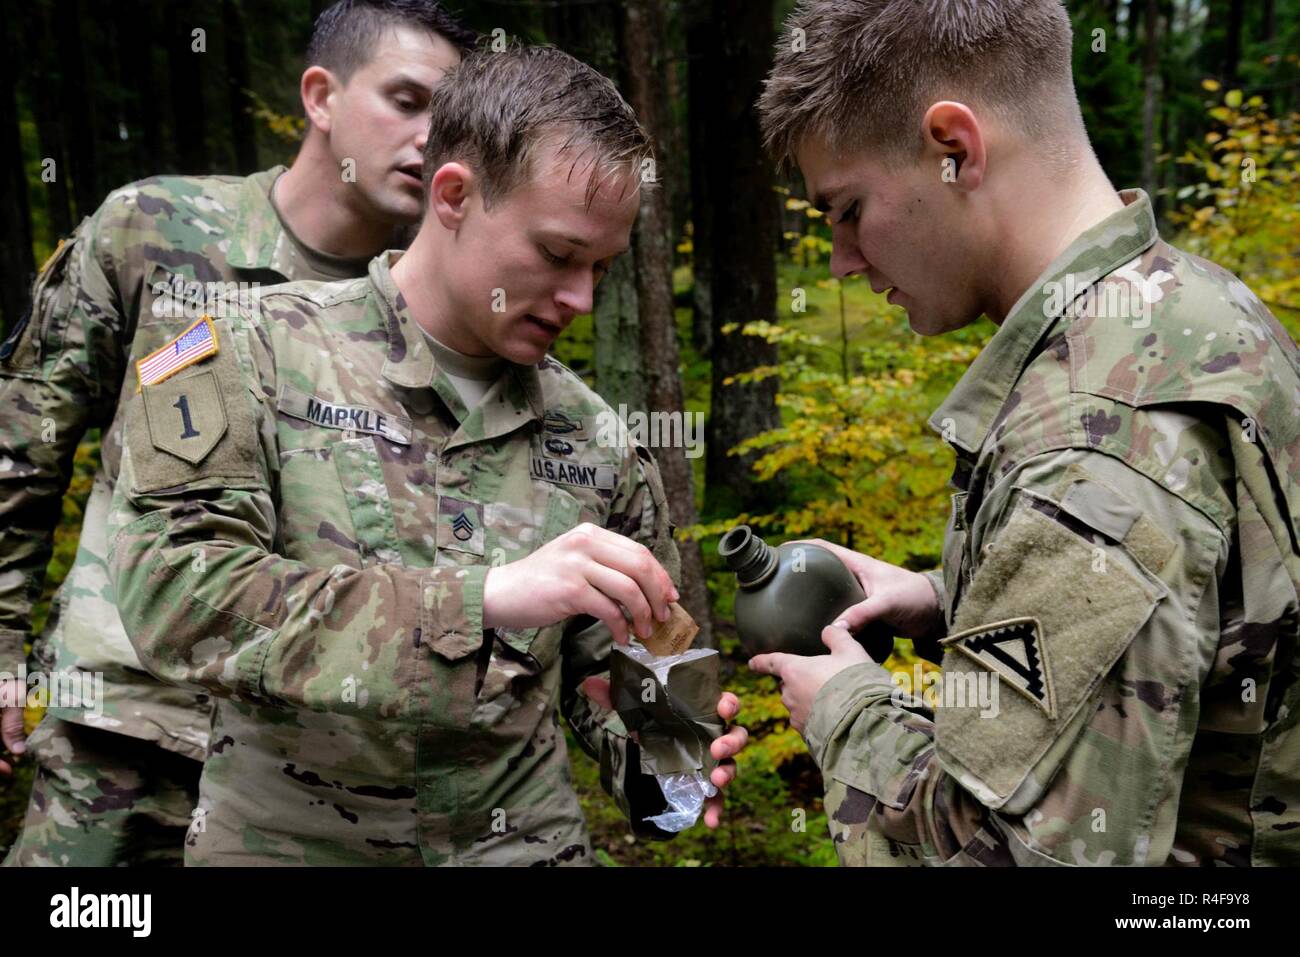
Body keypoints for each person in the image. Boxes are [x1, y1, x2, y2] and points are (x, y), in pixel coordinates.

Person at [106, 44, 747, 866]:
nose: (582, 298)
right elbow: (174, 596)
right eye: (557, 254)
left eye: (601, 267)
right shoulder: (226, 350)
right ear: (454, 195)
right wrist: (479, 599)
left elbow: (607, 692)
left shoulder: (596, 439)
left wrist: (671, 769)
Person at [750, 0, 1299, 866]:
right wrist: (950, 599)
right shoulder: (1200, 310)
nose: (843, 263)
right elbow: (1204, 621)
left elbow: (1006, 855)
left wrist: (846, 710)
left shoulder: (1090, 446)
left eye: (847, 209)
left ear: (953, 150)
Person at [0, 0, 476, 866]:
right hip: (127, 732)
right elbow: (23, 447)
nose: (427, 138)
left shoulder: (435, 310)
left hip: (319, 771)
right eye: (406, 101)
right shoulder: (158, 231)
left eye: (450, 120)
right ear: (321, 97)